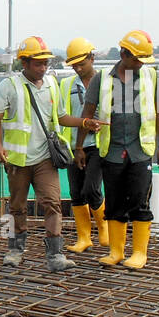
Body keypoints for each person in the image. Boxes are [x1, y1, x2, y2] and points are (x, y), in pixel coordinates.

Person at [0, 35, 100, 272]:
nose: (43, 68)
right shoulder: (9, 86)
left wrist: (84, 122)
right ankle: (15, 249)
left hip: (45, 158)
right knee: (17, 206)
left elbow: (60, 117)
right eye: (38, 63)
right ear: (25, 63)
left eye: (45, 63)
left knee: (52, 203)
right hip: (17, 159)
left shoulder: (51, 84)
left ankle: (55, 255)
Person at [78, 30, 159, 269]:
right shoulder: (103, 79)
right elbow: (86, 114)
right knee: (115, 201)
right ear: (123, 54)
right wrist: (79, 146)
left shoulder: (152, 77)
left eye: (142, 60)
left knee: (140, 199)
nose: (140, 64)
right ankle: (116, 251)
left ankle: (139, 253)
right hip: (113, 150)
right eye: (136, 59)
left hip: (141, 150)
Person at [61, 37, 107, 252]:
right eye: (74, 65)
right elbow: (61, 115)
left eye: (82, 63)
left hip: (98, 145)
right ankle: (84, 238)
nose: (78, 69)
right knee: (77, 192)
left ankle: (104, 230)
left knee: (91, 189)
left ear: (92, 58)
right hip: (74, 145)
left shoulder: (107, 83)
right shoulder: (67, 85)